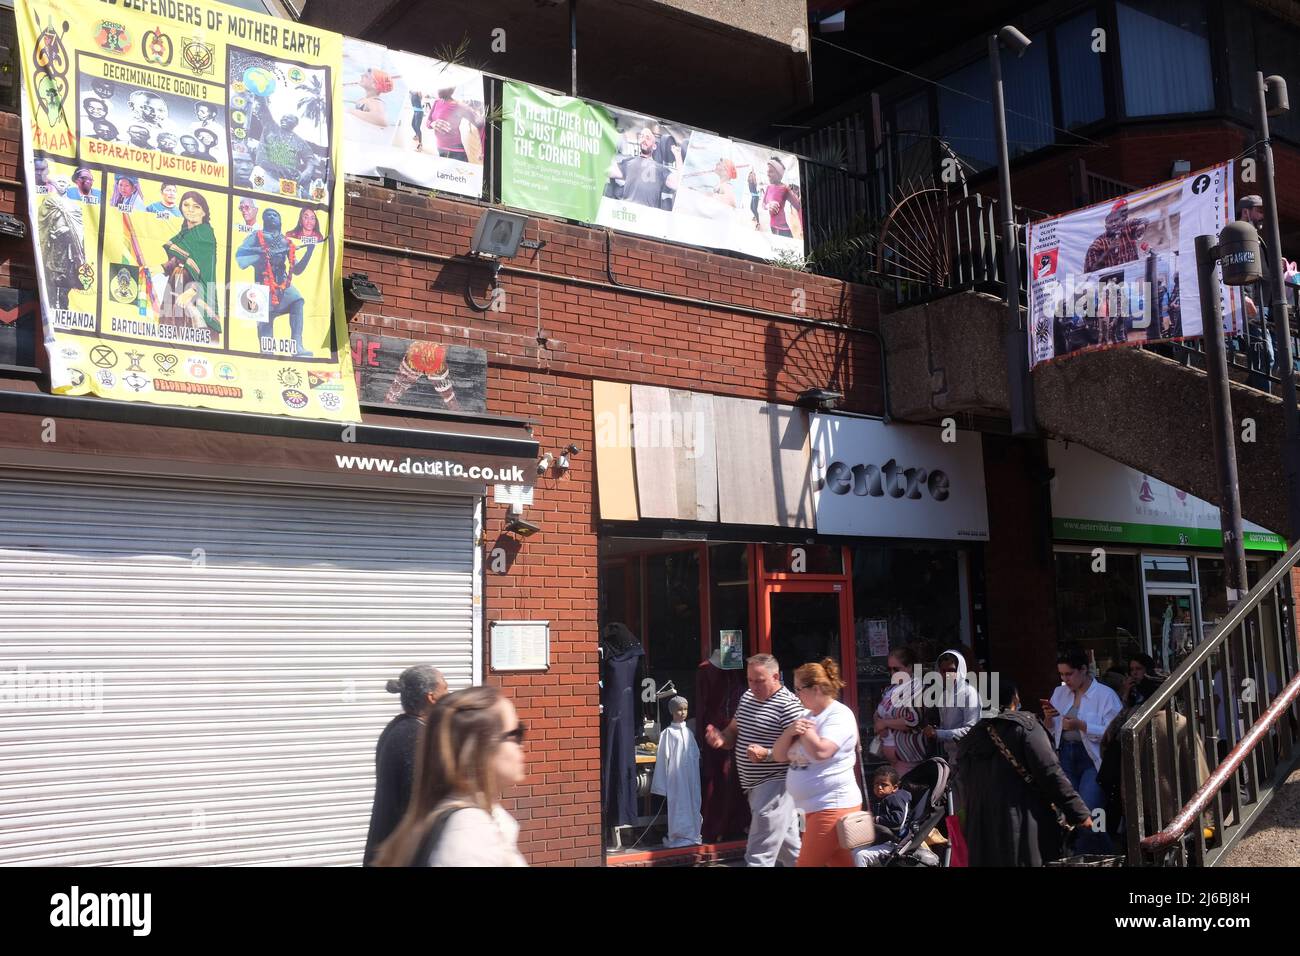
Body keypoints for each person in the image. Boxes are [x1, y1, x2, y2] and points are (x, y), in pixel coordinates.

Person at [373, 686, 528, 867]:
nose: (522, 745)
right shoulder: (470, 833)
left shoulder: (437, 820)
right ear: (482, 748)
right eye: (516, 733)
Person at [959, 681, 1093, 866]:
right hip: (1022, 823)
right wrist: (1078, 812)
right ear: (1015, 699)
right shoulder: (1025, 727)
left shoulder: (972, 736)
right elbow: (1050, 772)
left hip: (981, 828)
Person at [704, 653, 803, 866]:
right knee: (791, 852)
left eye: (760, 681)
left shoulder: (789, 705)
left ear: (776, 677)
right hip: (755, 788)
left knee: (758, 856)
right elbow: (733, 731)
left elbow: (802, 752)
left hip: (776, 786)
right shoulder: (748, 697)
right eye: (750, 680)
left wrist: (767, 754)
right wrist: (721, 739)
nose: (754, 686)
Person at [771, 658, 861, 867]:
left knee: (806, 863)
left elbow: (822, 751)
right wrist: (789, 732)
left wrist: (806, 730)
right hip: (804, 809)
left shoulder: (839, 715)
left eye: (799, 689)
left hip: (831, 805)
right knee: (838, 862)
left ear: (817, 688)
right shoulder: (805, 715)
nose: (796, 694)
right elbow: (779, 755)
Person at [362, 665, 448, 865]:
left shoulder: (399, 727)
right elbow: (416, 805)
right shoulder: (414, 739)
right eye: (445, 689)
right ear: (431, 697)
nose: (449, 695)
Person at [1042, 648, 1123, 854]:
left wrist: (1082, 725)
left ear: (1084, 670)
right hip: (1065, 755)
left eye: (1069, 674)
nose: (1065, 679)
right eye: (1061, 674)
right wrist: (1049, 718)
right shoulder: (1059, 693)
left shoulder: (1105, 695)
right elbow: (1051, 730)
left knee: (1090, 810)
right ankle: (1093, 854)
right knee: (1070, 812)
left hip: (1093, 759)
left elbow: (1113, 730)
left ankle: (1102, 853)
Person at [235, 207, 316, 356]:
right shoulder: (256, 236)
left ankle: (297, 345)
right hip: (263, 285)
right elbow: (241, 255)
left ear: (280, 220)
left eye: (275, 215)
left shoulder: (286, 242)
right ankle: (267, 349)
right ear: (264, 220)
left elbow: (297, 269)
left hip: (283, 284)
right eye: (268, 215)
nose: (272, 217)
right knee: (265, 321)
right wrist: (261, 253)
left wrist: (309, 252)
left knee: (297, 300)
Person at [160, 191, 221, 335]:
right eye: (186, 205)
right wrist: (160, 268)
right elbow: (177, 258)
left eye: (196, 206)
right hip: (175, 287)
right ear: (180, 208)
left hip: (194, 293)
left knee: (195, 328)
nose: (190, 209)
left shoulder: (205, 234)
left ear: (204, 212)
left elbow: (207, 271)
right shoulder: (184, 232)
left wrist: (193, 291)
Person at [922, 648, 982, 766]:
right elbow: (946, 727)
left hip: (969, 758)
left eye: (951, 670)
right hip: (953, 758)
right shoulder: (945, 695)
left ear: (960, 670)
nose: (947, 675)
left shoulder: (969, 693)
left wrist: (938, 733)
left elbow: (971, 730)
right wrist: (934, 731)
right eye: (943, 671)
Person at [874, 646, 928, 775]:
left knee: (906, 793)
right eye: (890, 669)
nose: (893, 673)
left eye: (896, 669)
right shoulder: (890, 689)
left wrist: (885, 723)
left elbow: (913, 720)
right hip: (890, 755)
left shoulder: (917, 689)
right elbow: (878, 711)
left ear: (909, 667)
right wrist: (877, 723)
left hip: (907, 756)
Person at [852, 765, 915, 866]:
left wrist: (876, 819)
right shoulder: (880, 800)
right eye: (876, 784)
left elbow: (898, 819)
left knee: (861, 856)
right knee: (854, 852)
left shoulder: (896, 798)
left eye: (884, 785)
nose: (879, 787)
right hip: (881, 840)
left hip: (895, 843)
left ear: (894, 788)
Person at [613, 127, 682, 209]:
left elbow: (678, 183)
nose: (643, 139)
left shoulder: (661, 169)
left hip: (648, 217)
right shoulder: (628, 162)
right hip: (628, 213)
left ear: (654, 146)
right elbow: (608, 171)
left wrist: (678, 156)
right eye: (641, 137)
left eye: (647, 138)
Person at [1083, 199, 1147, 272]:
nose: (1114, 224)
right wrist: (1108, 251)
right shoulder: (1098, 244)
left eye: (1116, 220)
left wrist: (1142, 225)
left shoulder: (1127, 229)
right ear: (1106, 226)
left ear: (1121, 221)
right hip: (1111, 282)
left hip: (1133, 276)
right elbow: (1090, 271)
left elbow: (1144, 220)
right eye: (1110, 222)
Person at [427, 86, 485, 163]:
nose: (438, 88)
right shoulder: (437, 102)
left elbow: (481, 124)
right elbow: (428, 121)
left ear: (451, 89)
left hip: (455, 152)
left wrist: (484, 151)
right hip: (440, 148)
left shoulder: (460, 106)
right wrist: (432, 124)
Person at [762, 158, 801, 237]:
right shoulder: (768, 187)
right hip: (773, 227)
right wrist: (768, 205)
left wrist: (802, 227)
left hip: (782, 229)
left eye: (771, 171)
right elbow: (763, 204)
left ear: (778, 174)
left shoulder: (784, 188)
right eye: (767, 171)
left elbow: (798, 207)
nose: (768, 174)